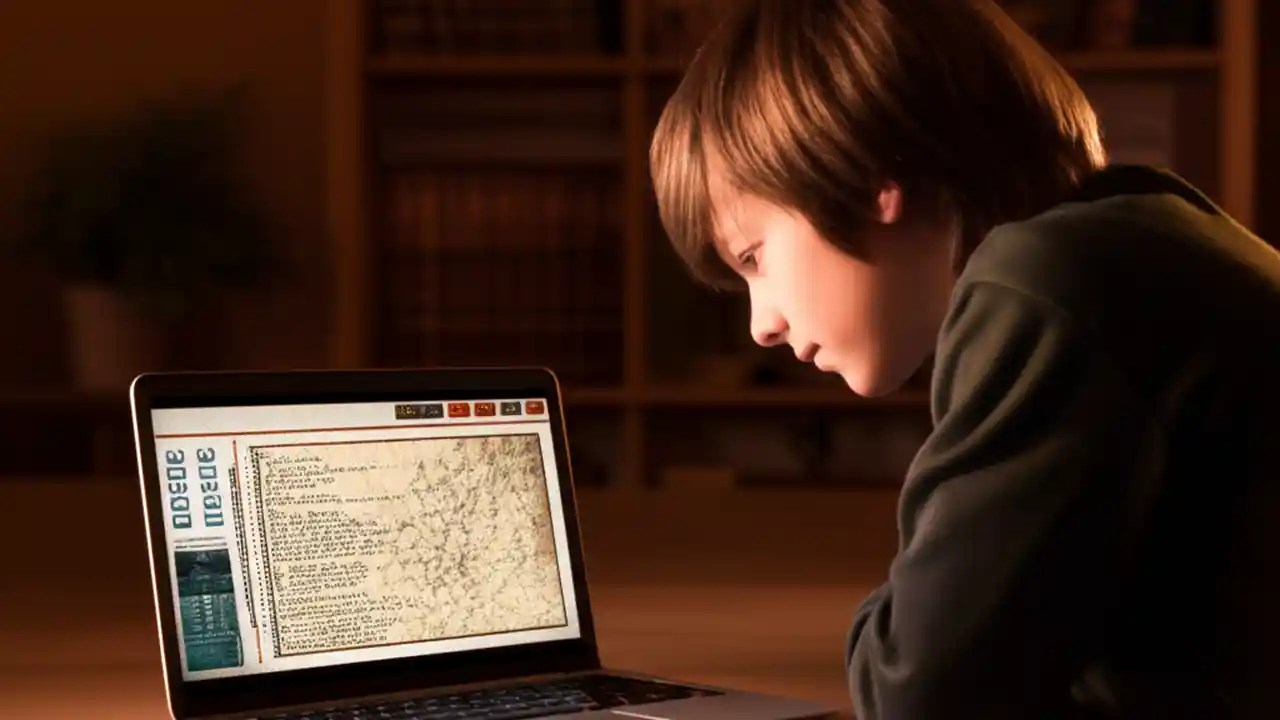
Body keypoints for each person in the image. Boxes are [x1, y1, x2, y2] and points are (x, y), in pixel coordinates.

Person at [647, 1, 1280, 718]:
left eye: (754, 258)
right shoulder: (1148, 232)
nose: (761, 326)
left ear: (862, 177)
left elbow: (914, 693)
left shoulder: (1051, 284)